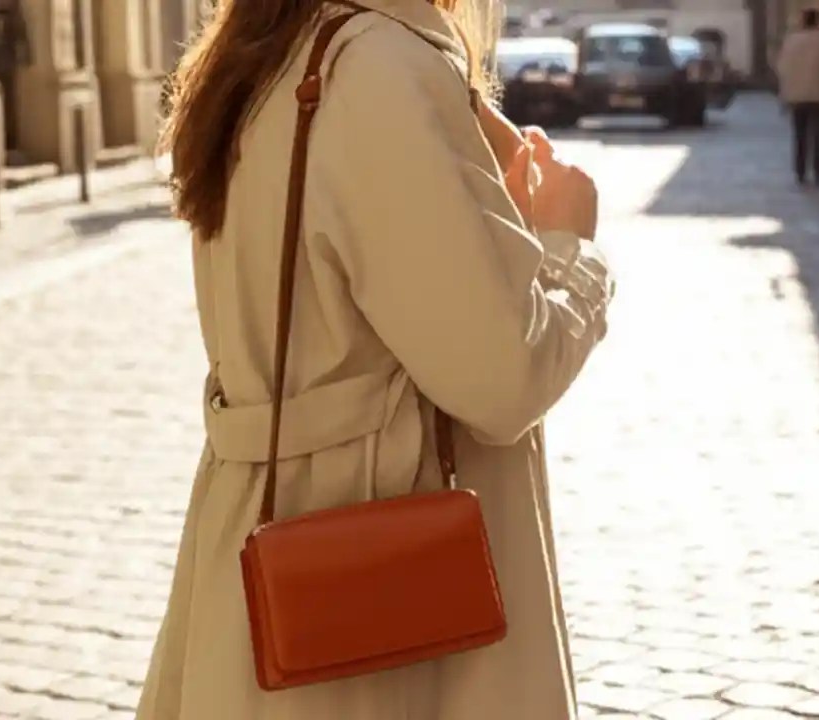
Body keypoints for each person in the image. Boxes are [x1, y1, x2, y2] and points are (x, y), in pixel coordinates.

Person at [133, 0, 614, 718]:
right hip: (379, 608)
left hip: (265, 555)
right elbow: (503, 381)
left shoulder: (278, 51)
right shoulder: (380, 69)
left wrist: (488, 233)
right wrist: (567, 244)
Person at [776, 8, 819, 186]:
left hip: (797, 96)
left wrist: (784, 94)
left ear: (802, 21)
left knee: (800, 135)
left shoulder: (791, 43)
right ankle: (818, 170)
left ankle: (800, 171)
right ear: (817, 22)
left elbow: (783, 69)